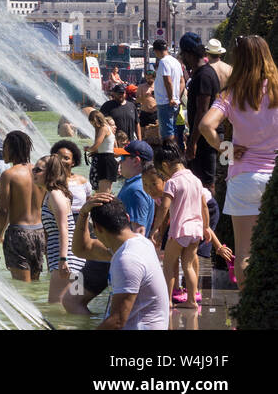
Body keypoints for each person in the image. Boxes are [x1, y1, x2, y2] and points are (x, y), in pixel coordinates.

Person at [198, 33, 278, 294]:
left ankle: (246, 306)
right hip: (274, 176)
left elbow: (205, 125)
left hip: (244, 176)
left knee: (244, 250)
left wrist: (226, 148)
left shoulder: (233, 93)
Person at [74, 194, 169, 330]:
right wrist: (83, 214)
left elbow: (117, 322)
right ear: (127, 218)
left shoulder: (128, 259)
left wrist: (83, 214)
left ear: (98, 228)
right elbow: (81, 249)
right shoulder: (140, 242)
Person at [149, 143, 204, 307]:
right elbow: (203, 205)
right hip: (196, 229)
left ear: (165, 165)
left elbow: (164, 207)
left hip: (180, 230)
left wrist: (155, 230)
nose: (162, 174)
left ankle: (167, 301)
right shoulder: (196, 180)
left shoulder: (172, 183)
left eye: (161, 170)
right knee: (188, 265)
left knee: (169, 264)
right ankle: (192, 300)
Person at [0, 131, 45, 281]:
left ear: (13, 149)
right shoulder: (39, 172)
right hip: (39, 233)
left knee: (22, 287)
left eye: (5, 147)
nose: (2, 151)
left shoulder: (9, 174)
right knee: (34, 284)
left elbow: (3, 210)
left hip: (18, 234)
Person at [39, 154, 84, 305]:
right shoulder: (51, 193)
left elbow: (64, 229)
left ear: (49, 173)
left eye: (37, 170)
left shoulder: (55, 195)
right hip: (68, 257)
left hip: (67, 259)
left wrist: (63, 259)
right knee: (72, 306)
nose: (33, 172)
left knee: (56, 306)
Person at [182, 34, 220, 190]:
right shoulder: (203, 73)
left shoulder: (203, 76)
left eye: (183, 55)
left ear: (189, 55)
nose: (183, 59)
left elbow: (202, 111)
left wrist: (193, 143)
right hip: (203, 135)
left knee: (206, 183)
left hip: (205, 136)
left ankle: (211, 212)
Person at [116, 140, 157, 236]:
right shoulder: (139, 184)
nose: (120, 162)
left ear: (136, 161)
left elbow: (138, 232)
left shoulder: (135, 191)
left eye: (122, 158)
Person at [151, 39, 184, 143]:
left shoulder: (163, 62)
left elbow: (167, 80)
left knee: (167, 133)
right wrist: (177, 97)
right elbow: (182, 81)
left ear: (156, 51)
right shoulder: (176, 62)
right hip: (174, 103)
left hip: (165, 102)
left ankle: (170, 156)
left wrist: (171, 98)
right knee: (174, 130)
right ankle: (177, 153)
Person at [85, 108, 118, 193]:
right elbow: (114, 147)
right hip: (107, 158)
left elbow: (96, 145)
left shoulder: (103, 128)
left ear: (95, 120)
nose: (92, 125)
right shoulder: (109, 129)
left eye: (92, 123)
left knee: (104, 193)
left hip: (105, 160)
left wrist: (88, 149)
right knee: (103, 191)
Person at [101, 82, 139, 152]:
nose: (121, 95)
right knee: (117, 159)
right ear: (114, 94)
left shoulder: (131, 106)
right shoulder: (107, 106)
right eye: (119, 93)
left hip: (129, 143)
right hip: (113, 144)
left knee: (128, 161)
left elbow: (137, 123)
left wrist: (139, 141)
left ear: (125, 93)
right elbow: (101, 124)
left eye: (122, 93)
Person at [135, 67, 158, 142]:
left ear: (154, 78)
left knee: (155, 132)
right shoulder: (141, 87)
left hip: (155, 113)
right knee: (142, 132)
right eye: (147, 78)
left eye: (150, 78)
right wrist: (145, 97)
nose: (149, 80)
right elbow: (137, 100)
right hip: (145, 112)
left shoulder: (157, 86)